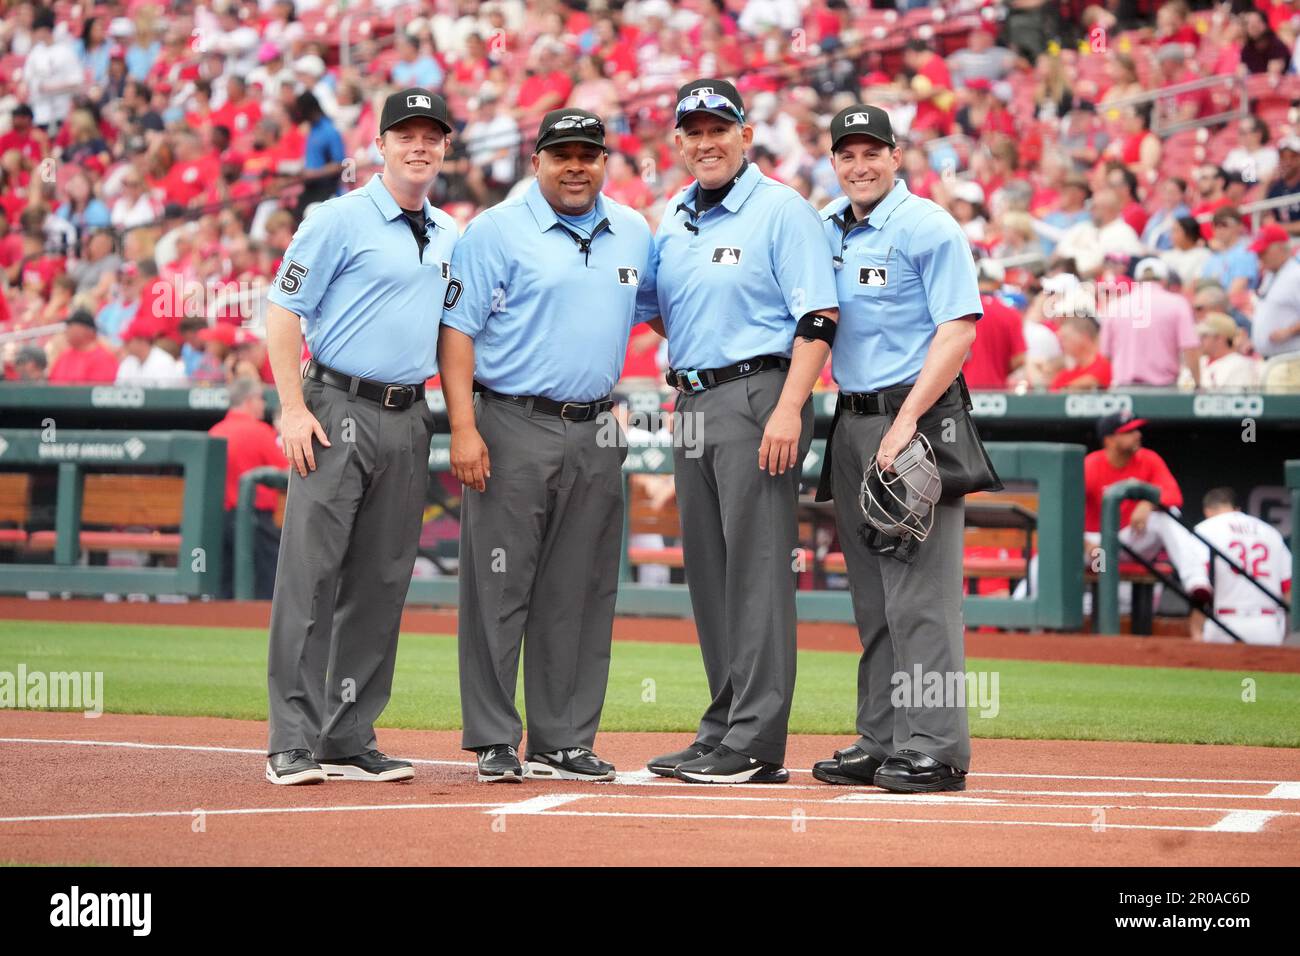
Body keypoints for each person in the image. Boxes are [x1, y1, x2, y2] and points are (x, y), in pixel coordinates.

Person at [439, 108, 654, 784]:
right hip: (512, 420)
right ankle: (495, 737)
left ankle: (563, 738)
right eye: (562, 153)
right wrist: (464, 427)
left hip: (595, 426)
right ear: (536, 161)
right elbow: (457, 331)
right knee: (499, 585)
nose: (576, 165)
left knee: (582, 592)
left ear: (604, 162)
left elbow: (655, 309)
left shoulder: (634, 232)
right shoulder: (496, 230)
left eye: (589, 153)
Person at [638, 79, 839, 784]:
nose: (705, 142)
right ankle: (723, 725)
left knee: (755, 574)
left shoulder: (783, 209)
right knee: (711, 576)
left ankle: (756, 742)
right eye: (691, 131)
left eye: (717, 128)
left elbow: (819, 318)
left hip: (758, 395)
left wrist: (788, 405)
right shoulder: (675, 215)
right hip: (692, 401)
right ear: (680, 142)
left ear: (745, 135)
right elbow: (662, 310)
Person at [262, 88, 458, 786]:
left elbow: (454, 336)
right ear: (379, 144)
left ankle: (346, 734)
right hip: (335, 402)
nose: (418, 145)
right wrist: (291, 408)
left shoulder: (450, 234)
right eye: (405, 133)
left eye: (431, 135)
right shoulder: (336, 218)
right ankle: (290, 738)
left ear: (445, 147)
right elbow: (283, 309)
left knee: (380, 582)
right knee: (310, 577)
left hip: (409, 414)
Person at [808, 103, 984, 794]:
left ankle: (936, 746)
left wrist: (906, 418)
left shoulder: (926, 224)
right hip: (851, 420)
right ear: (833, 160)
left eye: (871, 151)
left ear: (895, 154)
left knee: (921, 594)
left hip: (915, 419)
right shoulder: (824, 227)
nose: (859, 164)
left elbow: (959, 328)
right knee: (874, 598)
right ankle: (882, 738)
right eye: (847, 153)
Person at [210, 375, 289, 600]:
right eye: (261, 399)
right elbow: (288, 474)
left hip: (220, 523)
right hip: (257, 524)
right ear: (250, 400)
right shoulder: (260, 432)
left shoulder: (215, 431)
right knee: (268, 588)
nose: (263, 405)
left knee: (225, 590)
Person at [1193, 488, 1291, 646]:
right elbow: (1289, 589)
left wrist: (1196, 628)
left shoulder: (1205, 529)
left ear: (1207, 511)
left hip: (1223, 622)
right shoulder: (1270, 532)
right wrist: (1287, 632)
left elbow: (1199, 583)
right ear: (1237, 509)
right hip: (1268, 624)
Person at [1100, 258, 1200, 387]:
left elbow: (1105, 355)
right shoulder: (1178, 303)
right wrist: (1198, 384)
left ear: (1137, 281)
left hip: (1124, 390)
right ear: (1164, 281)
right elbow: (1190, 348)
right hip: (1164, 389)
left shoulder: (1115, 306)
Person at [961, 259, 1024, 389]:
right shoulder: (1010, 313)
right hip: (997, 392)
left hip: (962, 392)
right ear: (998, 282)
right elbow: (1019, 358)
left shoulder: (961, 310)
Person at [1251, 226, 1300, 358]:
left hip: (1293, 357)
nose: (1259, 257)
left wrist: (1289, 331)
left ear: (1279, 248)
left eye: (1263, 252)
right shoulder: (1270, 275)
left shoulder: (1296, 274)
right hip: (1275, 359)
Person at [46, 309, 119, 384]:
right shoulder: (65, 355)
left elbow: (97, 391)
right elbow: (51, 384)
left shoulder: (103, 359)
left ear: (88, 330)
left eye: (71, 326)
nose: (67, 330)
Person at [1196, 311, 1260, 389]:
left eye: (1204, 336)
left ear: (1220, 338)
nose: (1199, 340)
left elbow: (1236, 399)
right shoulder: (1199, 362)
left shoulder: (1241, 365)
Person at [1050, 314, 1111, 391]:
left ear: (1084, 338)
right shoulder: (1065, 375)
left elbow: (1091, 381)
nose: (1061, 343)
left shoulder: (1103, 365)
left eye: (1065, 338)